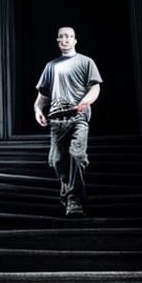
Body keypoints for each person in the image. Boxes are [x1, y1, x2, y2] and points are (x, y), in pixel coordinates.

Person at [33, 27, 102, 218]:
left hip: (78, 117)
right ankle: (68, 188)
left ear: (75, 40)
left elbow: (95, 88)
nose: (65, 39)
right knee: (56, 160)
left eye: (69, 36)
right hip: (56, 120)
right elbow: (42, 97)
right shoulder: (51, 66)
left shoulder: (86, 62)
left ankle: (74, 200)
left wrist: (85, 101)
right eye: (62, 36)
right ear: (57, 41)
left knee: (76, 154)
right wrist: (38, 111)